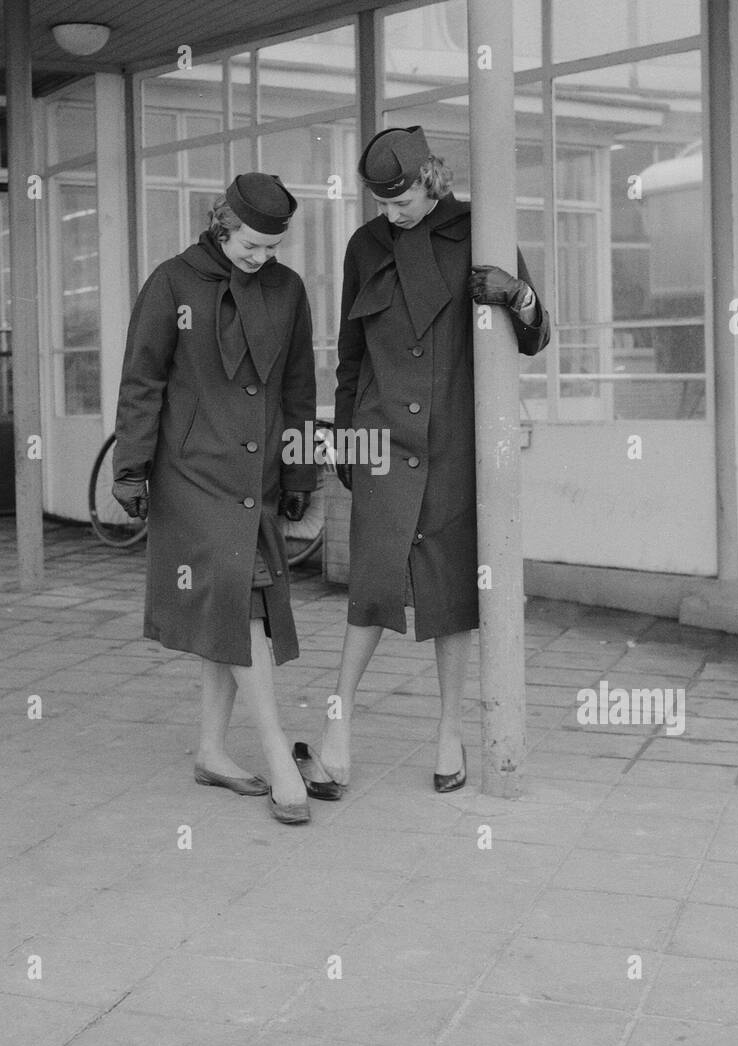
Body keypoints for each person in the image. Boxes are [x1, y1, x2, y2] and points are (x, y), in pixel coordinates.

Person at [309, 126, 550, 796]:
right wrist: (346, 442)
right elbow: (348, 357)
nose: (392, 213)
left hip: (451, 448)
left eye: (403, 198)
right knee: (370, 591)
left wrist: (515, 295)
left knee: (449, 597)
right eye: (382, 203)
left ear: (431, 178)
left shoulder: (483, 233)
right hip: (382, 442)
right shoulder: (366, 246)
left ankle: (449, 735)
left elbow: (536, 335)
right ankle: (337, 734)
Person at [111, 173, 319, 825]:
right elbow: (141, 379)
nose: (262, 259)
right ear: (222, 225)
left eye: (270, 248)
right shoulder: (172, 282)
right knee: (242, 601)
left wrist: (298, 472)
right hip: (191, 475)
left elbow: (297, 387)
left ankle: (209, 750)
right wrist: (130, 467)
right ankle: (278, 757)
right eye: (251, 246)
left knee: (230, 607)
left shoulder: (287, 290)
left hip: (255, 479)